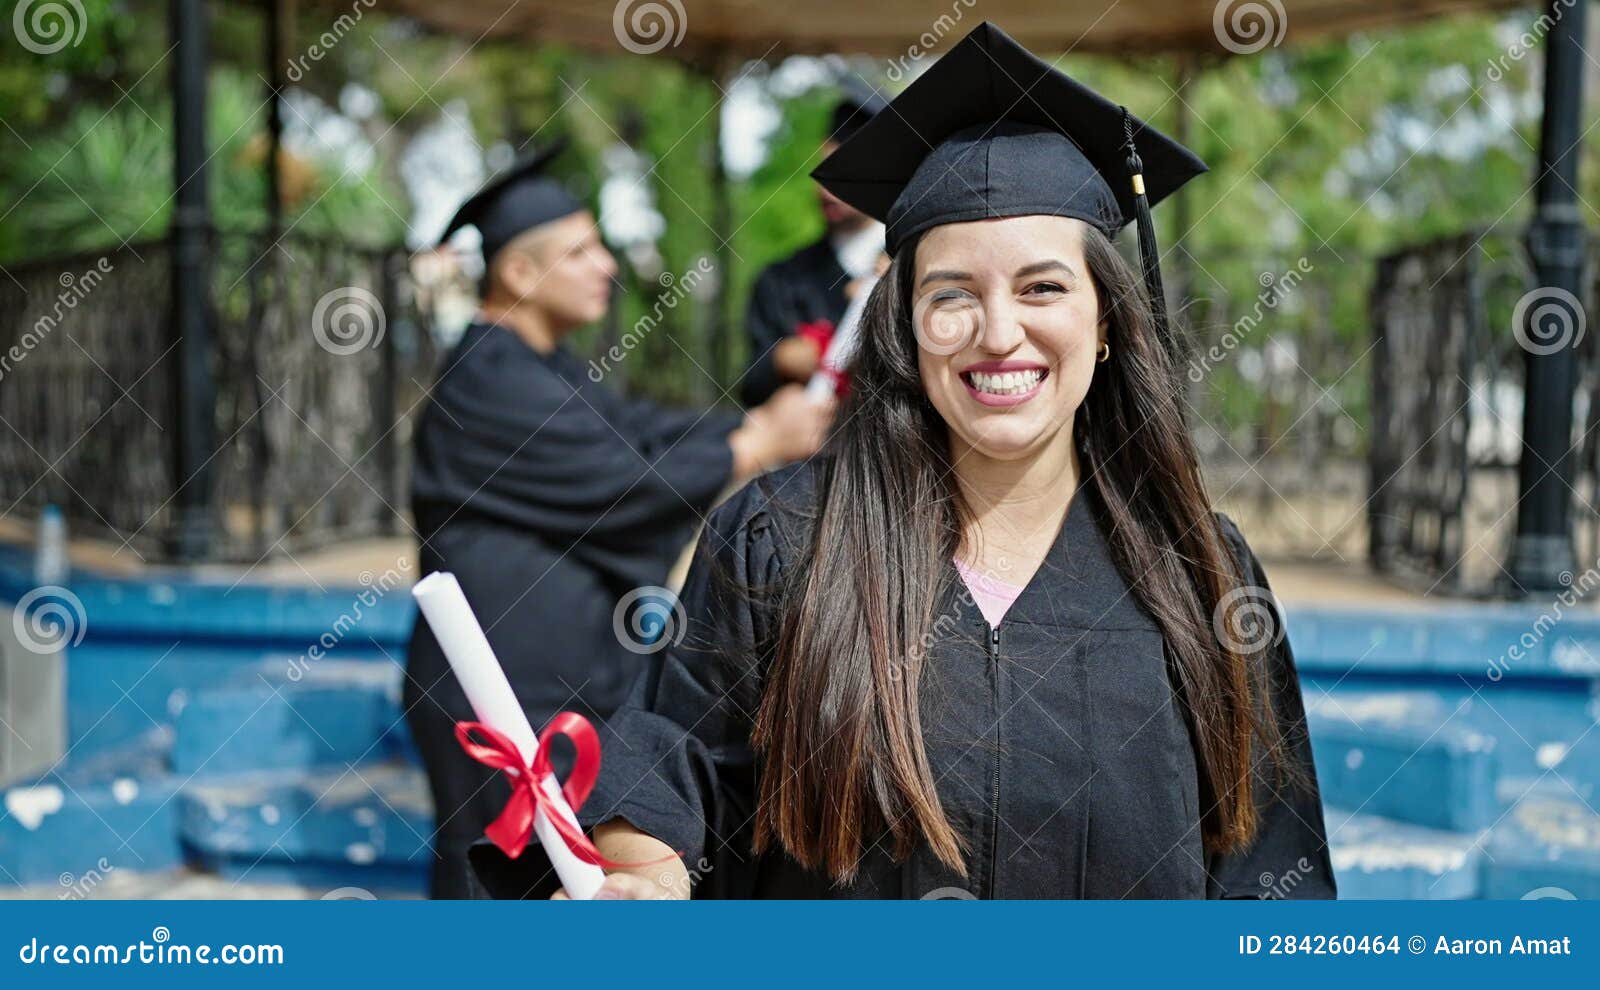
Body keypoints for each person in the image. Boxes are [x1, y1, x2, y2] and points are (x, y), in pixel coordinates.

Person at [472, 22, 1334, 900]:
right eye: (951, 294)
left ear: (1106, 318)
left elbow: (1269, 876)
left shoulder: (1199, 572)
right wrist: (645, 868)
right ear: (906, 327)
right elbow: (675, 774)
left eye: (1043, 287)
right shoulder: (780, 543)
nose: (999, 333)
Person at [404, 141, 833, 899]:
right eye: (580, 251)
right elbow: (621, 479)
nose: (606, 265)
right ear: (519, 273)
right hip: (500, 693)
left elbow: (642, 431)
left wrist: (751, 427)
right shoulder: (487, 378)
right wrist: (756, 444)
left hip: (557, 687)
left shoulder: (546, 367)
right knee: (496, 892)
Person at [738, 83, 888, 407]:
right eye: (823, 171)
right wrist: (779, 361)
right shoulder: (782, 279)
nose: (826, 190)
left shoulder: (909, 264)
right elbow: (750, 387)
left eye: (843, 174)